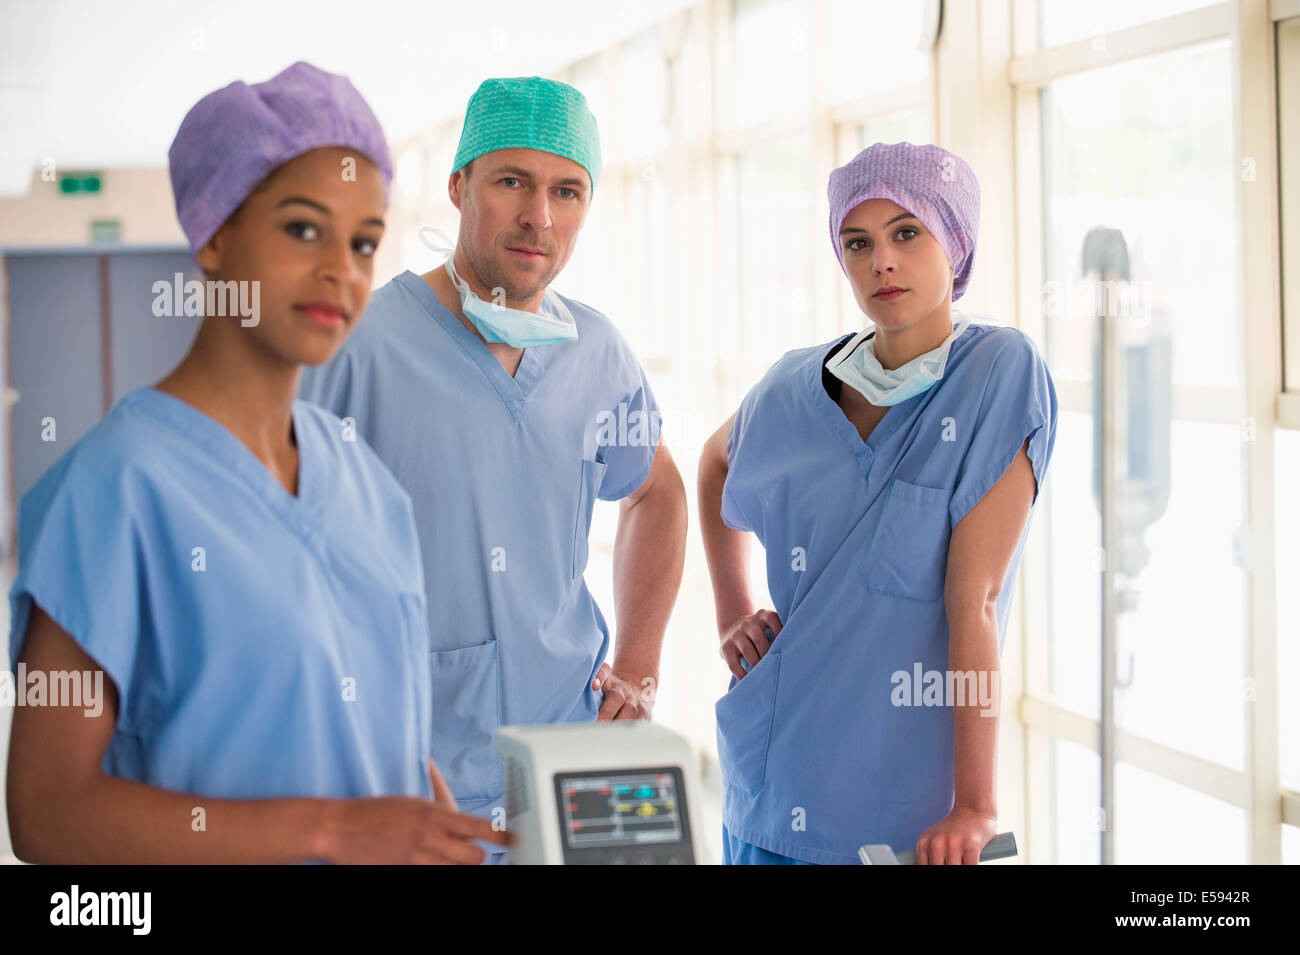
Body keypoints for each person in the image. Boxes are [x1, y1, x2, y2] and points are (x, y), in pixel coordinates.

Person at [6, 61, 507, 864]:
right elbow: (46, 811)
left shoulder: (368, 487)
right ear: (213, 234)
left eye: (364, 241)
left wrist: (434, 828)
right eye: (303, 229)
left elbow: (381, 741)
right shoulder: (114, 489)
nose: (341, 268)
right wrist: (334, 830)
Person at [300, 76, 688, 860]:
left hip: (571, 763)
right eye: (512, 181)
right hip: (409, 779)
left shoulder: (597, 352)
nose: (539, 216)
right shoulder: (361, 348)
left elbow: (656, 488)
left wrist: (640, 664)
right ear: (458, 187)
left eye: (567, 190)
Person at [698, 141, 1058, 865]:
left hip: (901, 819)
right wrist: (734, 609)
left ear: (955, 245)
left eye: (906, 233)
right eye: (856, 243)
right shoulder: (791, 386)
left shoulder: (997, 375)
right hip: (767, 783)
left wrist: (976, 804)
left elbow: (974, 602)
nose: (880, 262)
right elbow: (713, 463)